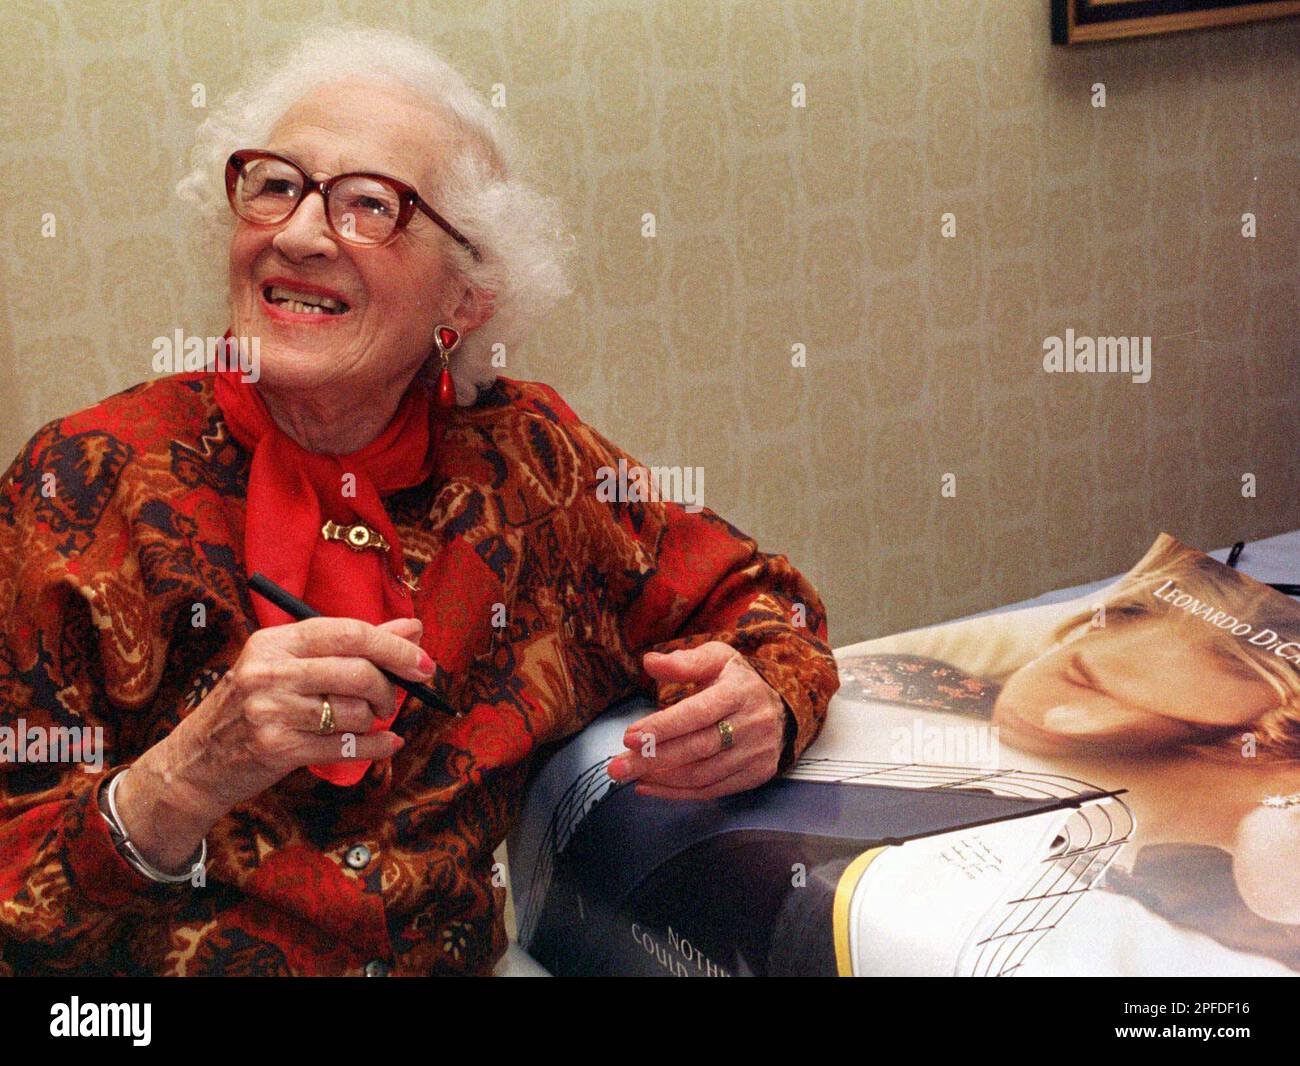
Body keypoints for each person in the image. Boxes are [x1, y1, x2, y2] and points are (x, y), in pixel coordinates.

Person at [0, 27, 838, 977]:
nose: (300, 234)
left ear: (467, 297)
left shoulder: (532, 469)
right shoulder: (85, 482)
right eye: (276, 185)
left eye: (371, 205)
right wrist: (184, 777)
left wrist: (767, 698)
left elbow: (763, 602)